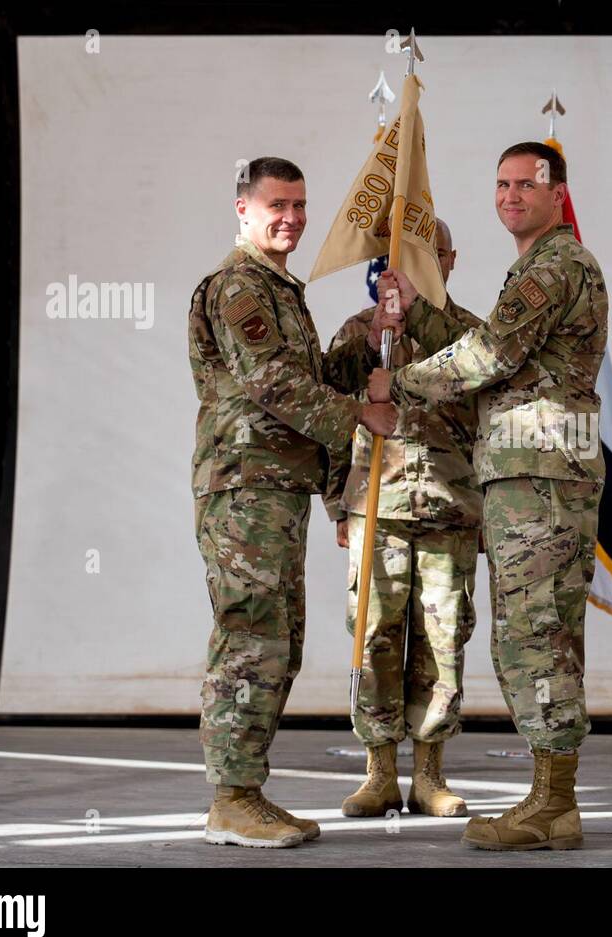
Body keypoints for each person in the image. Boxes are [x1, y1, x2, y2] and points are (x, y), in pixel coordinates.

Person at [368, 142, 607, 851]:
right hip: (529, 479)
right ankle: (549, 798)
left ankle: (553, 805)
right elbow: (496, 345)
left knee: (537, 637)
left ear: (557, 193)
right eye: (501, 184)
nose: (510, 195)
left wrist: (400, 384)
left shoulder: (558, 265)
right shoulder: (537, 267)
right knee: (532, 636)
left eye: (525, 184)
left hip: (541, 483)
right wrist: (417, 309)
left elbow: (492, 357)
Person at [188, 156, 397, 848]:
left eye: (301, 204)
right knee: (251, 638)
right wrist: (358, 418)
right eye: (277, 204)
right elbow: (272, 383)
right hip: (244, 488)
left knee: (280, 642)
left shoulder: (282, 290)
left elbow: (309, 378)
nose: (292, 217)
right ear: (243, 208)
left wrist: (372, 334)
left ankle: (248, 789)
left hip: (276, 492)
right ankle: (230, 799)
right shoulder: (238, 288)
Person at [319, 219, 482, 818]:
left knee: (443, 640)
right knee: (374, 636)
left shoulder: (469, 336)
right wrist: (339, 501)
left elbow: (490, 420)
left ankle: (430, 776)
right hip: (376, 511)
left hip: (449, 510)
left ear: (450, 258)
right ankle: (379, 773)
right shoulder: (359, 333)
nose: (414, 268)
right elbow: (333, 418)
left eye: (428, 255)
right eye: (402, 257)